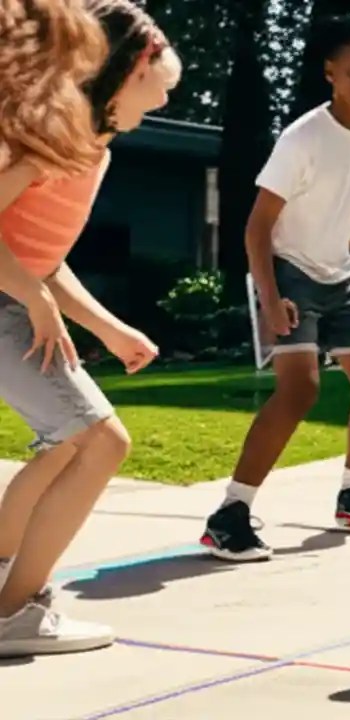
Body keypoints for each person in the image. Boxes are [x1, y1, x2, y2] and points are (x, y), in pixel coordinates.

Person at [0, 0, 178, 656]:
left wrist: (109, 328)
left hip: (13, 303)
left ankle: (2, 587)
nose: (162, 98)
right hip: (3, 306)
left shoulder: (93, 148)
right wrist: (34, 301)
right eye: (158, 81)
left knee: (68, 447)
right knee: (102, 444)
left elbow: (40, 251)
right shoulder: (54, 134)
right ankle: (13, 613)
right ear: (129, 68)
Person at [199, 16, 350, 562]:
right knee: (299, 390)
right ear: (330, 74)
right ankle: (230, 513)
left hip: (343, 276)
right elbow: (257, 225)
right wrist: (269, 297)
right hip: (289, 269)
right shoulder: (305, 137)